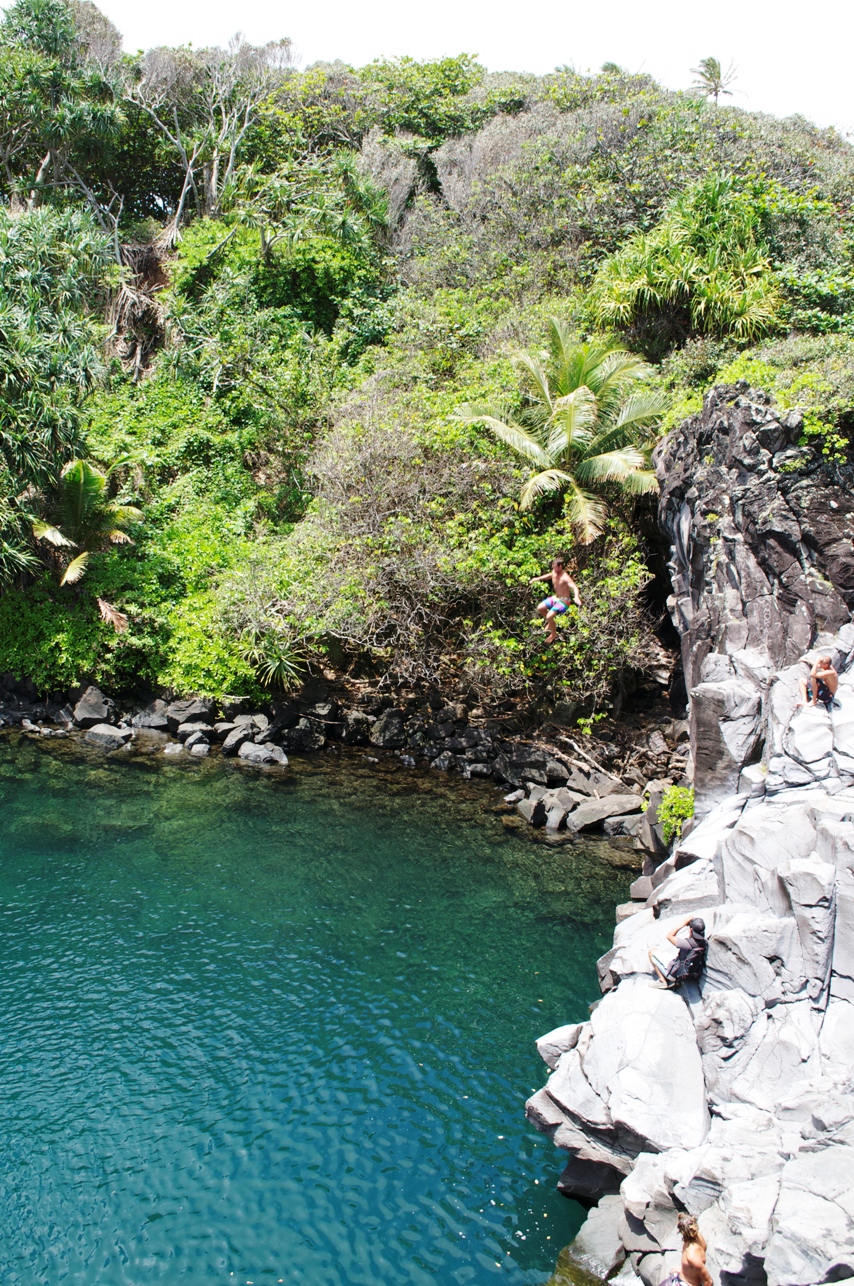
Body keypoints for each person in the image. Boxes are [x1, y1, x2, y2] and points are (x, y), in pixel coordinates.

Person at [530, 555, 582, 645]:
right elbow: (549, 576)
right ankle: (550, 623)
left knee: (549, 616)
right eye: (553, 567)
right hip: (556, 598)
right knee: (540, 608)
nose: (553, 569)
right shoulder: (554, 572)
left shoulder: (565, 577)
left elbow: (574, 587)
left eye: (555, 567)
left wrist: (576, 597)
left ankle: (553, 634)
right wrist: (537, 578)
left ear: (560, 566)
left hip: (564, 601)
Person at [649, 915, 707, 990]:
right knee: (664, 954)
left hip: (673, 974)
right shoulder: (704, 943)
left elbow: (669, 936)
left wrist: (683, 923)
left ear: (691, 930)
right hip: (690, 973)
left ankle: (662, 981)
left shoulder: (686, 944)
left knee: (651, 952)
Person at [659, 1214, 713, 1286]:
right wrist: (683, 1269)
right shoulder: (698, 1237)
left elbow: (709, 1282)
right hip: (684, 1277)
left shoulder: (691, 1255)